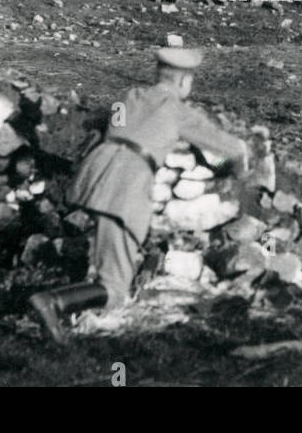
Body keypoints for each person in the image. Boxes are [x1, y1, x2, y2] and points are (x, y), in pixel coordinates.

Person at [29, 48, 249, 340]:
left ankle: (68, 307)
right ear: (184, 82)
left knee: (102, 249)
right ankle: (53, 303)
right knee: (116, 286)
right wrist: (241, 162)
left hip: (95, 172)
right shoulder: (177, 110)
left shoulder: (130, 96)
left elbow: (114, 125)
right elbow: (227, 145)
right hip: (127, 182)